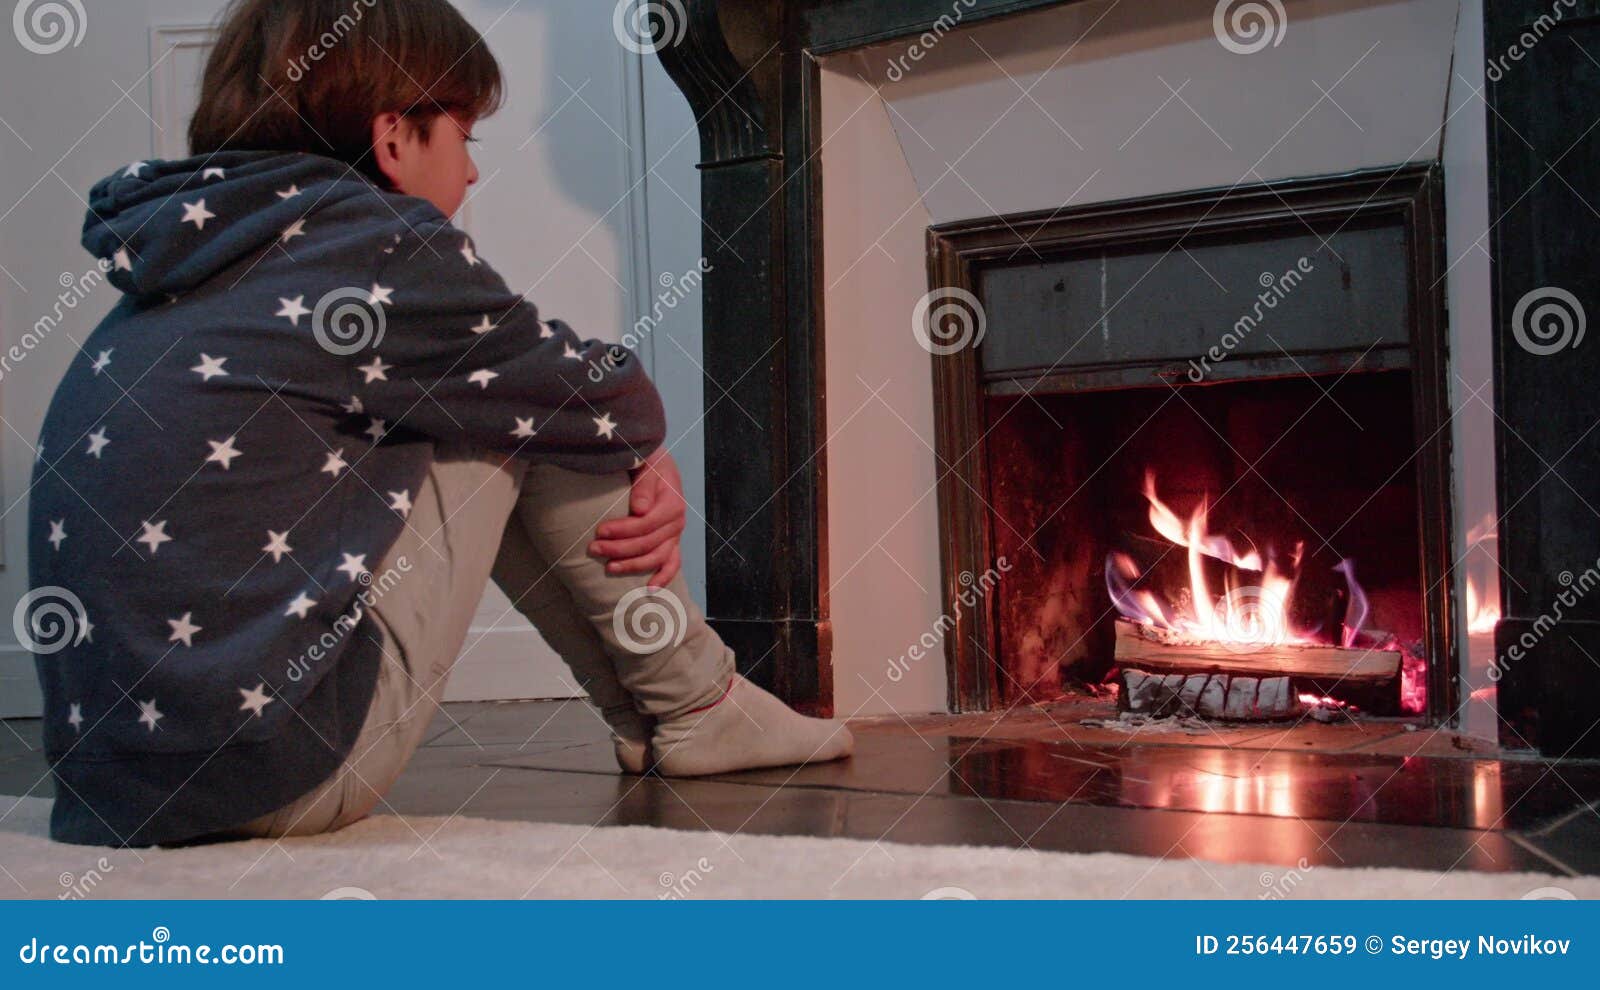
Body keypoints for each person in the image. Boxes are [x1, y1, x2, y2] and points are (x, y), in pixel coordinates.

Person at [28, 0, 851, 848]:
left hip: (112, 794)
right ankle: (699, 702)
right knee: (525, 409)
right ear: (394, 139)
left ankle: (663, 713)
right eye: (466, 138)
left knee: (512, 394)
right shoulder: (378, 244)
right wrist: (643, 448)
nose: (472, 174)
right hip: (271, 776)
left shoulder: (191, 253)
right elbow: (599, 392)